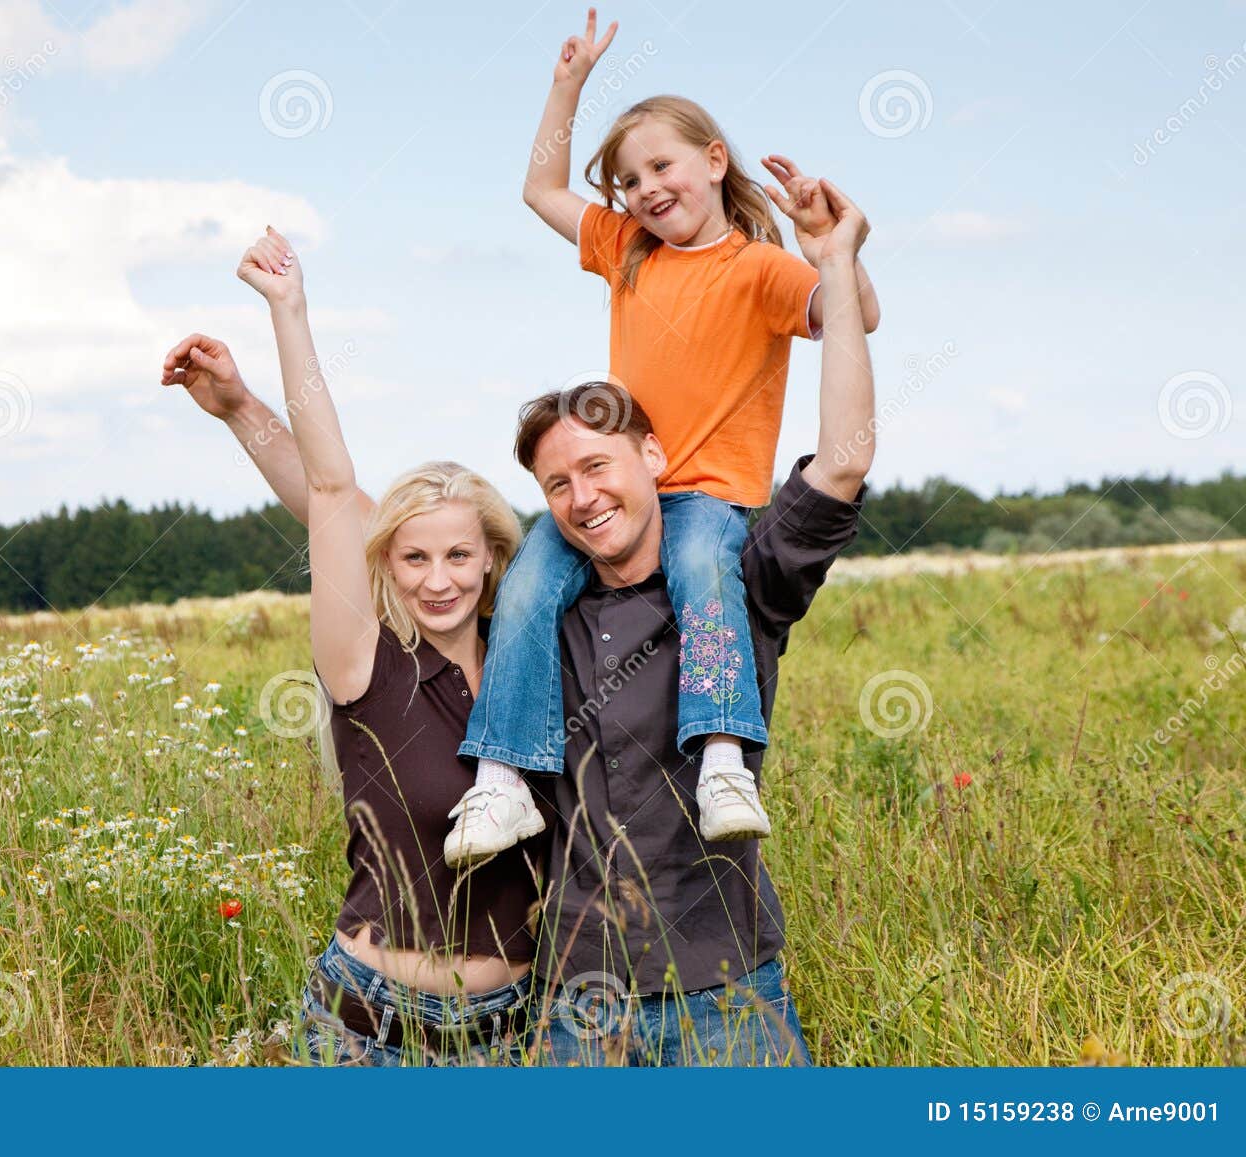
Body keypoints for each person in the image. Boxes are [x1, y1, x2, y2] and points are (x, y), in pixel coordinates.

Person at [446, 8, 881, 867]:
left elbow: (857, 315)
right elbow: (541, 190)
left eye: (660, 166)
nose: (643, 189)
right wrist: (567, 84)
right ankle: (501, 779)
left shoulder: (758, 268)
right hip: (615, 487)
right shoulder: (629, 250)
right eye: (627, 179)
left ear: (714, 161)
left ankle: (722, 760)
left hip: (706, 494)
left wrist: (834, 252)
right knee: (527, 582)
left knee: (702, 579)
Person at [160, 229, 545, 1066]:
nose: (437, 580)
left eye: (458, 555)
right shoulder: (365, 665)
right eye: (413, 558)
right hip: (369, 1028)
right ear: (387, 566)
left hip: (515, 1031)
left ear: (493, 557)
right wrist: (287, 310)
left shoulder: (533, 670)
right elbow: (332, 489)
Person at [524, 175, 876, 1064]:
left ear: (652, 454)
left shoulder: (740, 582)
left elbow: (842, 462)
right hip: (576, 1000)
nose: (583, 496)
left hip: (726, 993)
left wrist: (834, 264)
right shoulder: (535, 615)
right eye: (558, 483)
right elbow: (368, 525)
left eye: (598, 467)